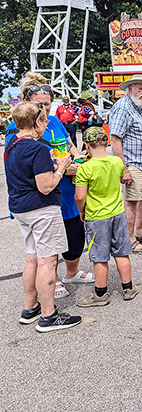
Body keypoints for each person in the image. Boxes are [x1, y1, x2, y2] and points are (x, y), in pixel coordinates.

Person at [6, 73, 94, 299]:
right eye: (39, 105)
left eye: (47, 104)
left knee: (75, 237)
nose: (44, 109)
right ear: (27, 102)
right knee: (48, 247)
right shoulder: (16, 130)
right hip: (44, 194)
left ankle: (71, 272)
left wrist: (77, 160)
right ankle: (51, 281)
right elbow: (28, 159)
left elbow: (70, 145)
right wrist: (62, 166)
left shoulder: (54, 121)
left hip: (67, 190)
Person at [5, 102, 81, 332]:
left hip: (21, 208)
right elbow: (46, 186)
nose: (47, 124)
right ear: (36, 122)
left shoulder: (12, 143)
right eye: (45, 120)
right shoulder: (37, 148)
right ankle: (49, 315)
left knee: (32, 257)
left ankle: (31, 307)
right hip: (41, 209)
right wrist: (61, 167)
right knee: (48, 261)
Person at [75, 127, 140, 306]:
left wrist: (82, 210)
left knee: (99, 256)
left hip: (97, 216)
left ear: (87, 145)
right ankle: (128, 288)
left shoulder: (85, 168)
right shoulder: (117, 162)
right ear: (106, 143)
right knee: (122, 252)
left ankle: (100, 293)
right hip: (118, 214)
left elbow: (79, 197)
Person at [108, 74, 142, 255]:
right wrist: (123, 169)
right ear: (130, 89)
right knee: (131, 200)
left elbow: (138, 133)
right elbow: (115, 139)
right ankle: (129, 240)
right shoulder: (122, 107)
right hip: (132, 163)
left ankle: (139, 233)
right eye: (141, 89)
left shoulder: (141, 107)